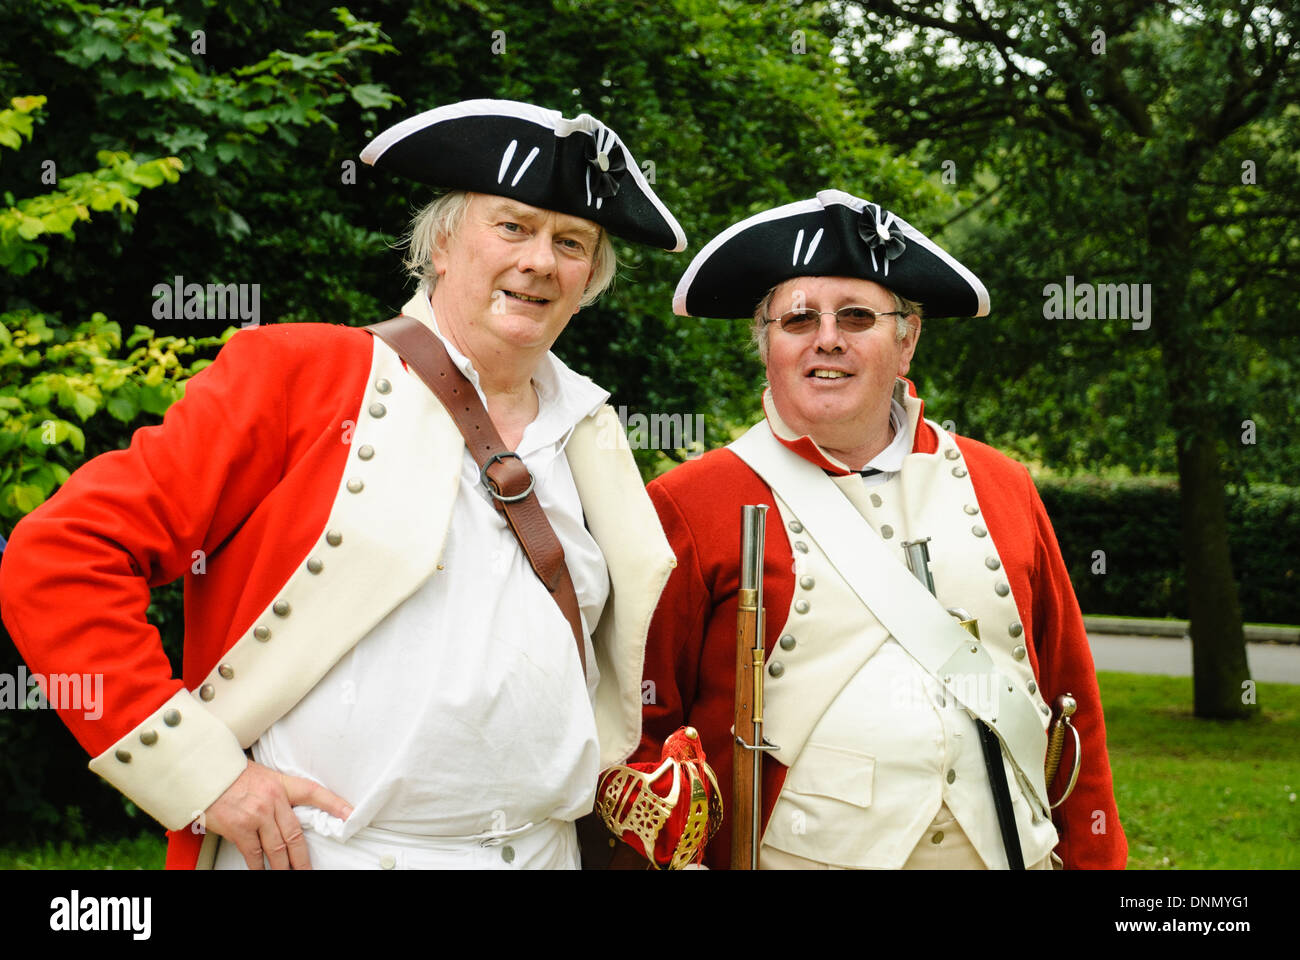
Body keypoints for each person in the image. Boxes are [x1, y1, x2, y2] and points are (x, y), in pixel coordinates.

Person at [0, 99, 689, 870]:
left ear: (588, 276)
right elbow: (59, 557)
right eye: (512, 227)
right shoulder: (302, 373)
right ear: (442, 245)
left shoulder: (593, 430)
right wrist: (201, 774)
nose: (539, 261)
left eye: (571, 243)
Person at [633, 189, 1127, 869]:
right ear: (766, 345)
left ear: (906, 340)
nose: (827, 337)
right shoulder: (691, 503)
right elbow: (643, 732)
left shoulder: (1003, 485)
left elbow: (1073, 700)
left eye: (858, 316)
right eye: (798, 318)